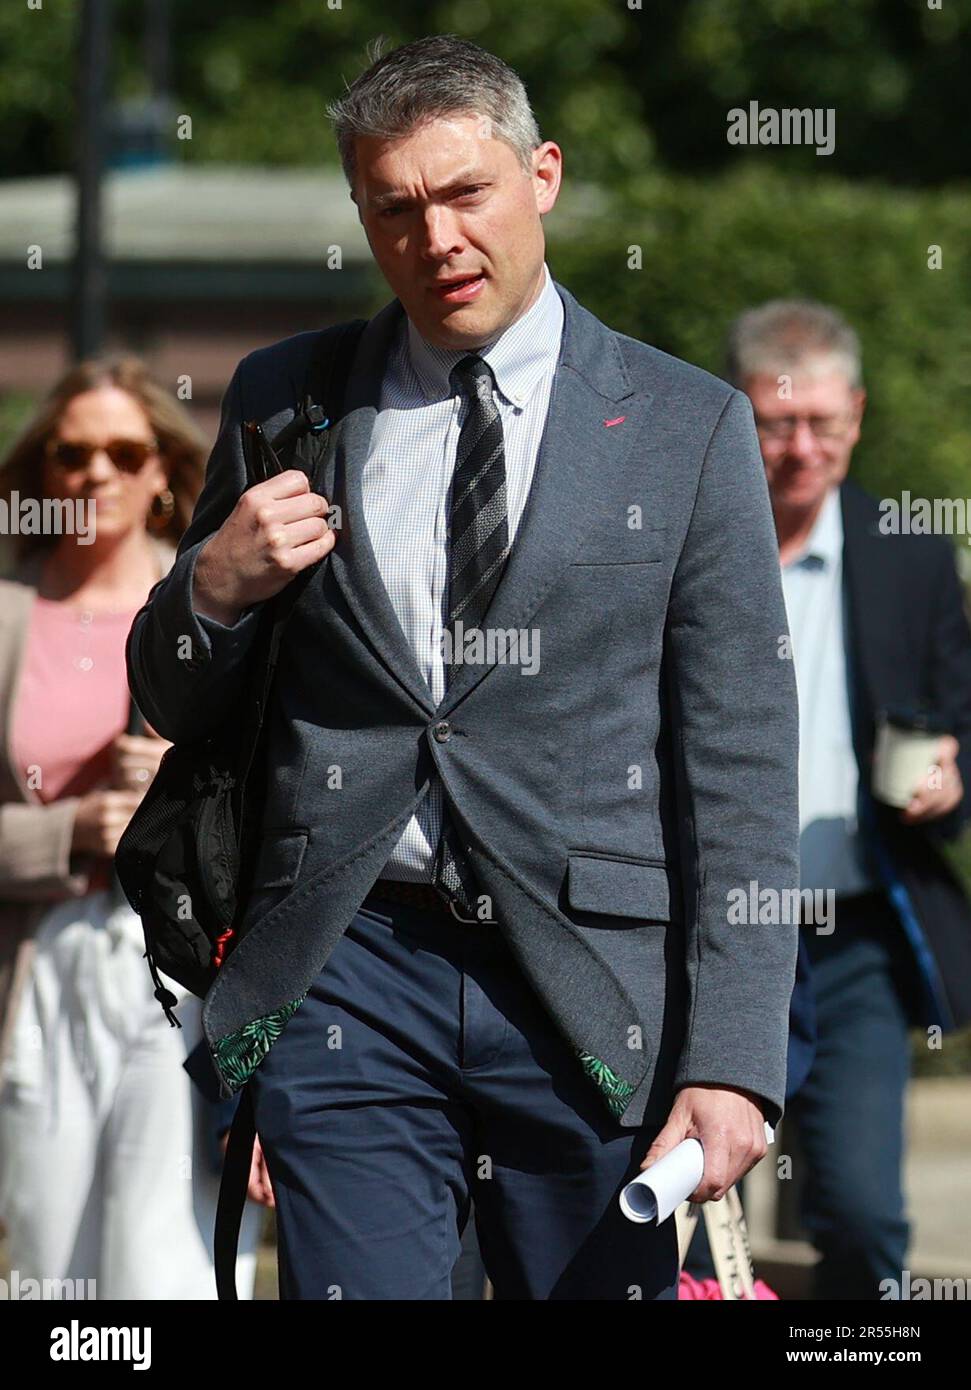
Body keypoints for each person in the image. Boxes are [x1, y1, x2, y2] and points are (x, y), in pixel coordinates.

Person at [128, 34, 800, 1301]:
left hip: (587, 988)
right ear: (362, 218)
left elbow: (741, 764)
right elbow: (175, 701)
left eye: (464, 193)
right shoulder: (288, 399)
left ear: (539, 174)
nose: (434, 237)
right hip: (349, 967)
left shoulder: (684, 425)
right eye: (395, 207)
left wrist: (733, 1057)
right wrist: (212, 583)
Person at [0, 356, 262, 1298]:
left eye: (124, 451)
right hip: (42, 970)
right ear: (42, 471)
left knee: (167, 1264)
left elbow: (290, 794)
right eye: (72, 453)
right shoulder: (8, 613)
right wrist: (68, 832)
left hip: (182, 970)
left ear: (163, 472)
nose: (96, 474)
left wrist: (179, 788)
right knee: (49, 1265)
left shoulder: (216, 601)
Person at [727, 299, 971, 1300]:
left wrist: (951, 779)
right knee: (665, 1210)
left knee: (864, 1215)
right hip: (696, 935)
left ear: (856, 415)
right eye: (775, 422)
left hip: (854, 939)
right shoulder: (679, 539)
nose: (798, 448)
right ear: (735, 416)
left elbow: (961, 711)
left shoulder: (906, 552)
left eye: (820, 422)